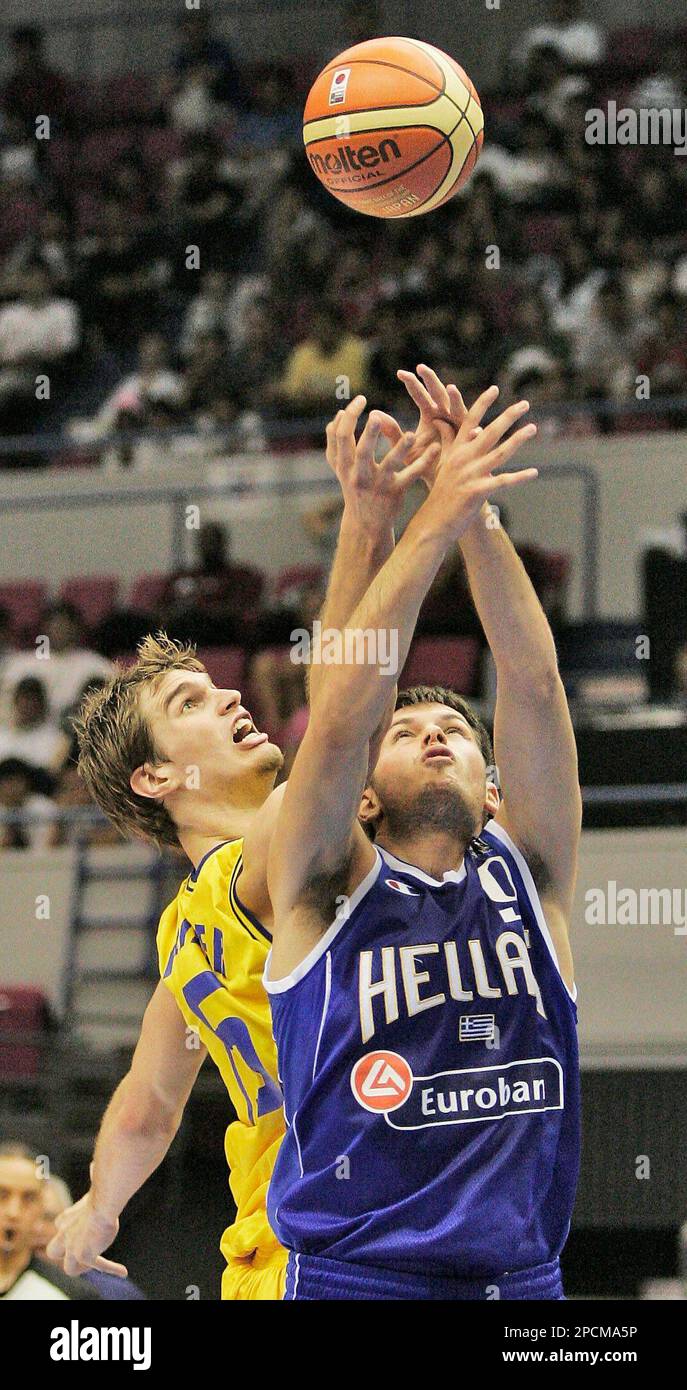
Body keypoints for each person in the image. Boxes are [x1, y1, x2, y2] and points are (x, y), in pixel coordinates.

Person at [47, 400, 438, 1299]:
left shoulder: (186, 934)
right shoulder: (261, 859)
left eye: (213, 684)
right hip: (338, 1244)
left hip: (306, 1237)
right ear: (156, 780)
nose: (226, 698)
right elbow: (346, 710)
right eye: (188, 705)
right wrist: (371, 522)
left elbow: (149, 1105)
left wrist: (99, 1205)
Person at [263, 366, 582, 1300]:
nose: (435, 729)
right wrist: (416, 517)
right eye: (405, 733)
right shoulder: (323, 887)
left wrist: (474, 511)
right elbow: (339, 712)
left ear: (494, 791)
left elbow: (533, 685)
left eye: (454, 732)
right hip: (358, 1280)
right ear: (364, 795)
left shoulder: (531, 874)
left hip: (522, 1284)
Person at [0, 1145, 100, 1300]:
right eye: (2, 1194)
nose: (13, 1212)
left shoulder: (71, 1295)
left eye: (28, 1198)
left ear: (42, 1207)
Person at [36, 1174, 145, 1300]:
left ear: (72, 1221)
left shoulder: (115, 1294)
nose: (38, 1229)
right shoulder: (10, 1287)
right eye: (29, 1219)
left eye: (49, 1218)